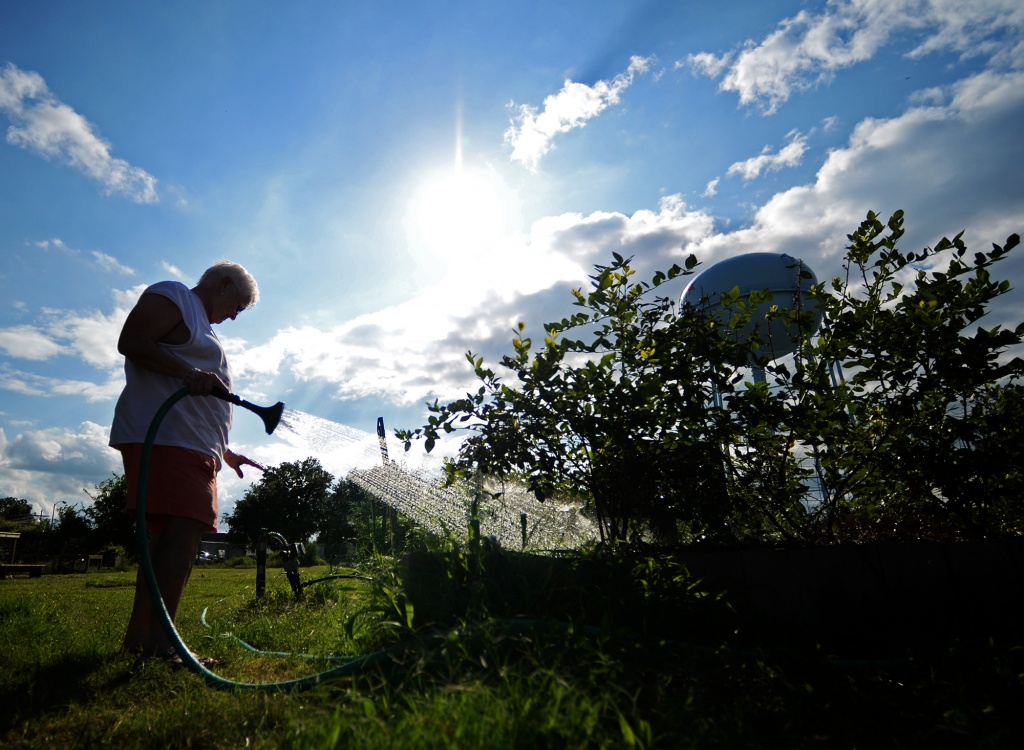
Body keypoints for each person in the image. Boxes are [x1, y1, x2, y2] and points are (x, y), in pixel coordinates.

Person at [109, 260, 266, 664]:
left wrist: (224, 451)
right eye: (239, 306)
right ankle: (162, 644)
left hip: (190, 445)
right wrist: (187, 372)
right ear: (225, 285)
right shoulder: (175, 295)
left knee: (167, 542)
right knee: (183, 532)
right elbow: (132, 341)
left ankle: (141, 640)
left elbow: (198, 391)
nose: (235, 316)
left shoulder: (202, 324)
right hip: (168, 439)